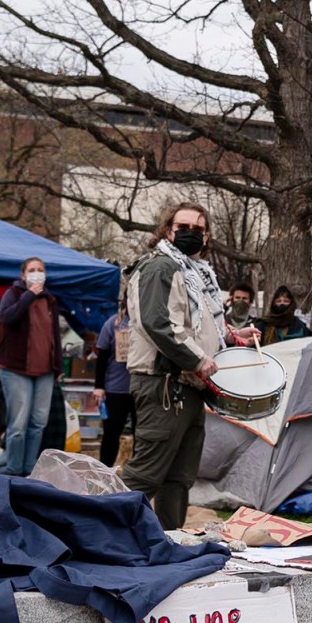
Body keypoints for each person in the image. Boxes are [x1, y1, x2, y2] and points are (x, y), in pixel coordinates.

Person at [123, 202, 236, 530]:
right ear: (167, 231)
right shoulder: (161, 266)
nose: (190, 234)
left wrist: (230, 334)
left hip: (188, 386)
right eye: (182, 227)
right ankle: (107, 542)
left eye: (198, 229)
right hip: (164, 383)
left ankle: (169, 538)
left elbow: (194, 323)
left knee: (179, 478)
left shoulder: (196, 272)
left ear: (207, 236)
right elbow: (156, 323)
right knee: (145, 474)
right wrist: (198, 360)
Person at [0, 257, 67, 475]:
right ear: (23, 275)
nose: (37, 273)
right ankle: (13, 470)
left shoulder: (50, 300)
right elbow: (7, 317)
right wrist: (29, 295)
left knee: (38, 424)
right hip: (16, 369)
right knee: (18, 426)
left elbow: (55, 336)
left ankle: (28, 470)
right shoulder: (14, 294)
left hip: (44, 371)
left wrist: (58, 366)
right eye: (32, 270)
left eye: (40, 270)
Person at [92, 298, 135, 468]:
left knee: (141, 436)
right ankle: (105, 471)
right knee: (111, 435)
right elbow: (101, 358)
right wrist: (99, 387)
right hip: (115, 389)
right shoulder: (112, 324)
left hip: (141, 389)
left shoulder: (148, 323)